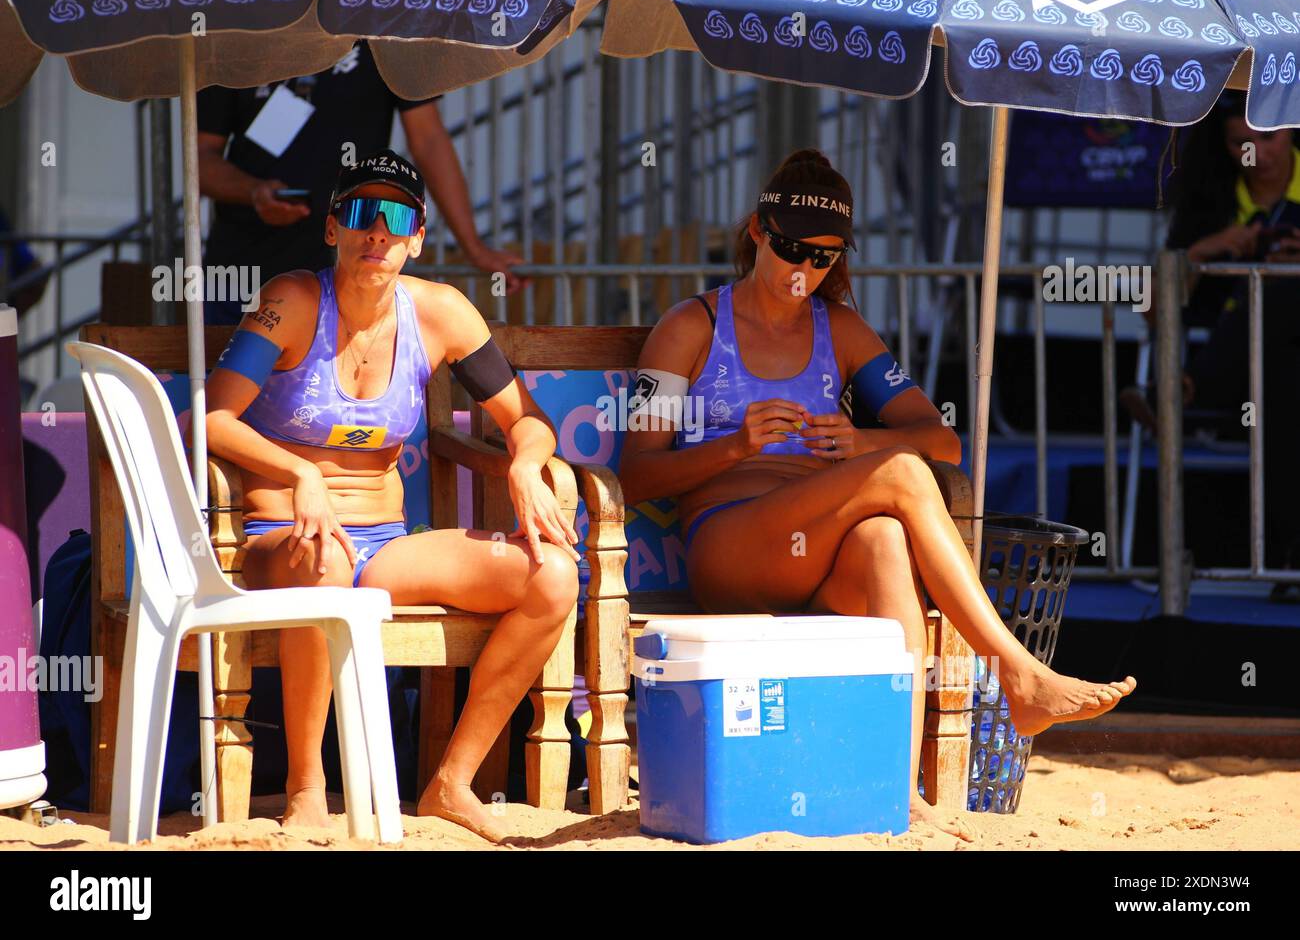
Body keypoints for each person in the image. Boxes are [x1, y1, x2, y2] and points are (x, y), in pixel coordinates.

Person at [619, 149, 1137, 838]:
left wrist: (860, 443)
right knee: (900, 477)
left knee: (886, 537)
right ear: (755, 232)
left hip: (820, 549)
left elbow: (942, 441)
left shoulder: (844, 332)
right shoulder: (693, 327)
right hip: (731, 545)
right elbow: (635, 475)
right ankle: (1015, 673)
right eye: (791, 250)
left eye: (825, 258)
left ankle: (899, 790)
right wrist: (735, 447)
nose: (804, 271)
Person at [203, 149, 579, 843]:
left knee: (553, 577)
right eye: (361, 213)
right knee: (325, 564)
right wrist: (301, 475)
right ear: (333, 229)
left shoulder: (442, 314)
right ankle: (307, 788)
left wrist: (527, 463)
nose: (378, 231)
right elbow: (212, 417)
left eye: (396, 216)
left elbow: (527, 419)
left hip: (382, 546)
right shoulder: (290, 301)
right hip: (281, 542)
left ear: (417, 238)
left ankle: (450, 782)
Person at [198, 39, 524, 324]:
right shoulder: (237, 30)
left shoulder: (382, 24)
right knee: (234, 383)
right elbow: (198, 159)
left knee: (341, 386)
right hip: (243, 264)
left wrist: (474, 247)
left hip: (351, 259)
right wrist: (253, 192)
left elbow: (428, 139)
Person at [1129, 92, 1300, 590]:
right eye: (1238, 143)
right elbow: (1152, 308)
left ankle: (1181, 393)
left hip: (1224, 368)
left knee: (1282, 290)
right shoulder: (1209, 201)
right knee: (1286, 387)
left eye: (1267, 138)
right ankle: (1289, 559)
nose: (1257, 155)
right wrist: (1207, 253)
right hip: (1260, 369)